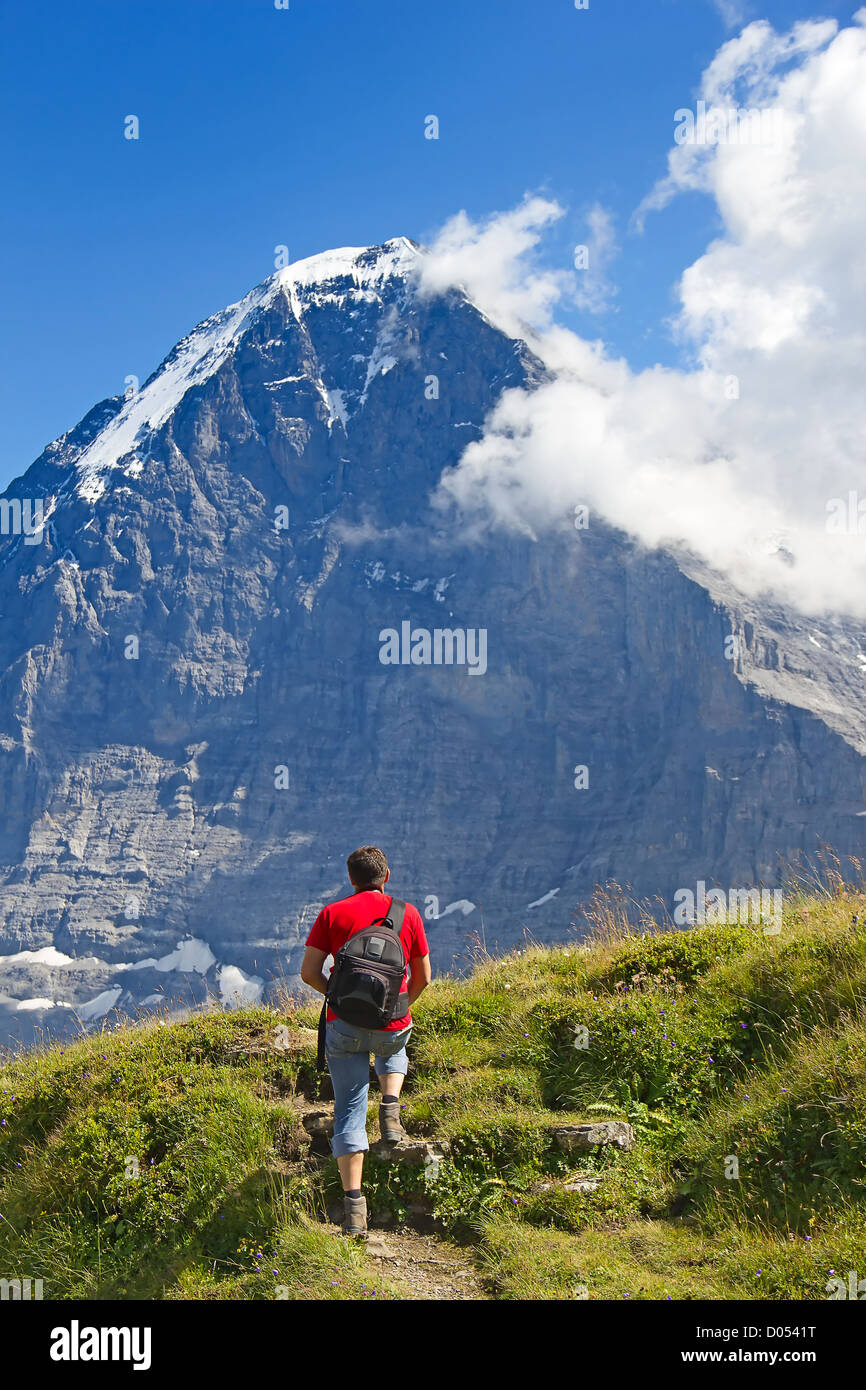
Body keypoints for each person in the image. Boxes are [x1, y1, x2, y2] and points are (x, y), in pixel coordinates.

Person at [300, 845, 432, 1238]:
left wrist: (338, 999)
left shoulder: (332, 913)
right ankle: (390, 1113)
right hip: (392, 1023)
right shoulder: (407, 914)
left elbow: (308, 972)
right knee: (395, 1048)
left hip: (344, 1027)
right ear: (386, 876)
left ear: (351, 878)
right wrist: (397, 1007)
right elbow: (424, 975)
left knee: (349, 1111)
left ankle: (355, 1210)